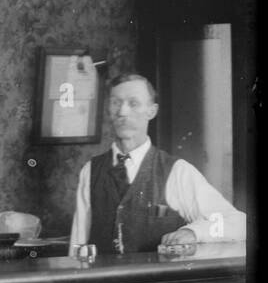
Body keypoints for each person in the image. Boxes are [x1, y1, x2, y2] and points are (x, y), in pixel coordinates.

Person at [70, 73, 245, 255]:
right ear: (108, 110)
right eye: (116, 103)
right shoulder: (91, 171)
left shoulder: (177, 171)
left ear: (151, 111)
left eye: (133, 103)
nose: (122, 112)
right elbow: (78, 244)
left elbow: (237, 222)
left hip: (156, 282)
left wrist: (193, 232)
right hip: (104, 282)